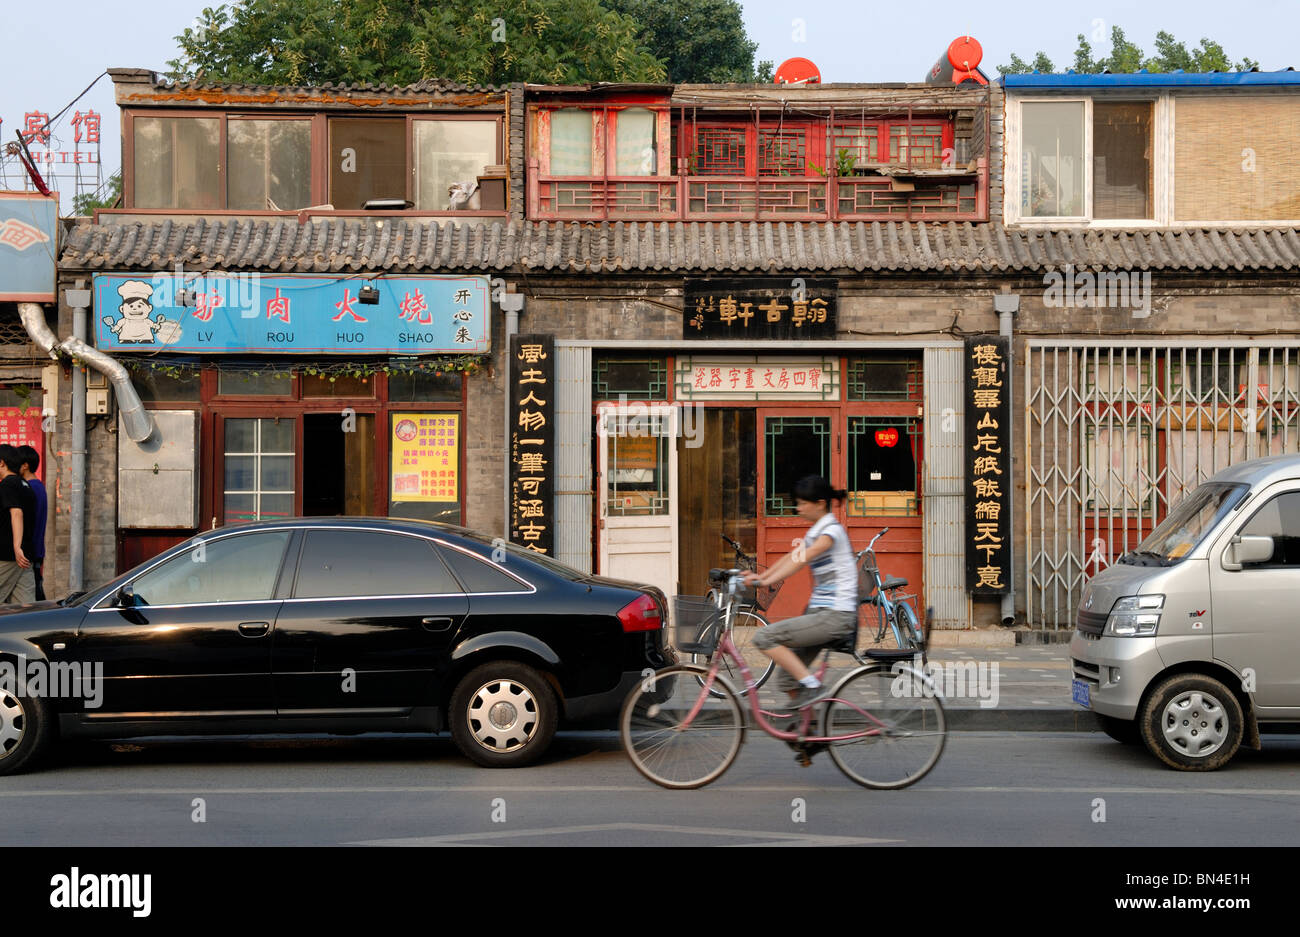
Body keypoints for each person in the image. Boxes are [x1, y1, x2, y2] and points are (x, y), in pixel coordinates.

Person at [745, 475, 858, 712]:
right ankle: (808, 733)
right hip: (820, 612)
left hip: (835, 615)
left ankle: (814, 687)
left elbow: (801, 558)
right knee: (787, 679)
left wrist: (766, 580)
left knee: (764, 638)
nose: (798, 508)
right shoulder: (817, 530)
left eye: (803, 503)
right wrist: (763, 578)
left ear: (819, 503)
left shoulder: (831, 531)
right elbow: (792, 556)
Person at [0, 444, 35, 605]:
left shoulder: (7, 485)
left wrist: (16, 546)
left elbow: (16, 512)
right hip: (25, 557)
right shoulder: (26, 486)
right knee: (23, 607)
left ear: (2, 463)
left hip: (8, 555)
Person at [17, 446, 46, 601]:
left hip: (29, 551)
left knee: (33, 598)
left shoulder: (30, 488)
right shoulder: (38, 486)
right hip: (35, 551)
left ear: (25, 465)